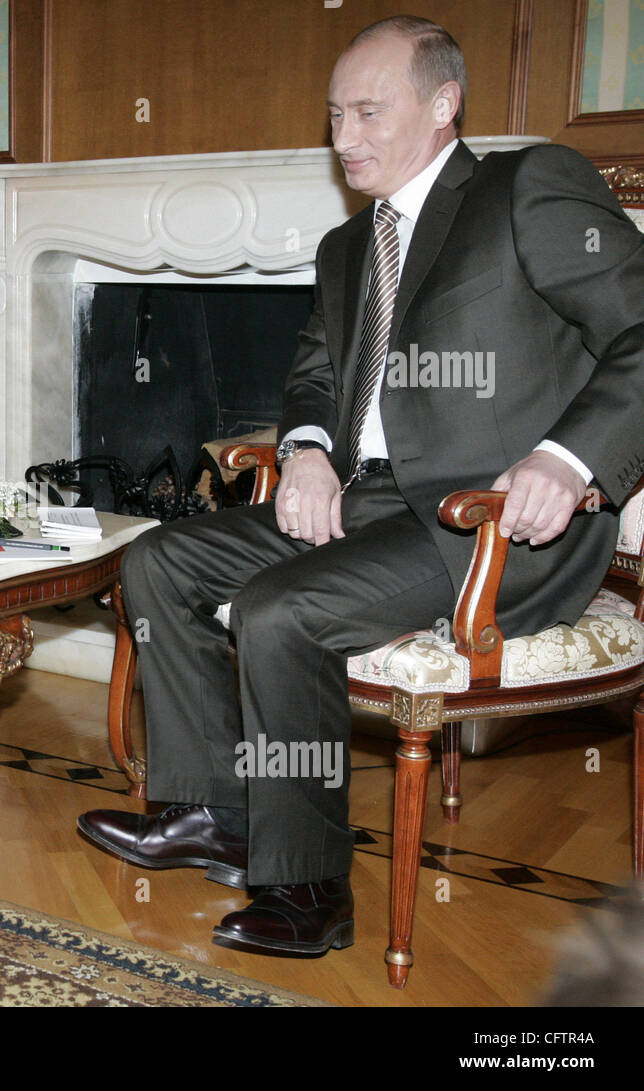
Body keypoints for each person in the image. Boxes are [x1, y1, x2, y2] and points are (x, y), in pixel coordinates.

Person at [77, 15, 644, 959]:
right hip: (370, 506)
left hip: (488, 524)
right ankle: (215, 812)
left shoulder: (524, 187)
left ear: (444, 104)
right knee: (158, 560)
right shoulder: (349, 247)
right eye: (335, 115)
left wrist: (567, 459)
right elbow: (314, 377)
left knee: (278, 610)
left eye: (368, 111)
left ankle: (306, 885)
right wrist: (303, 447)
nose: (344, 137)